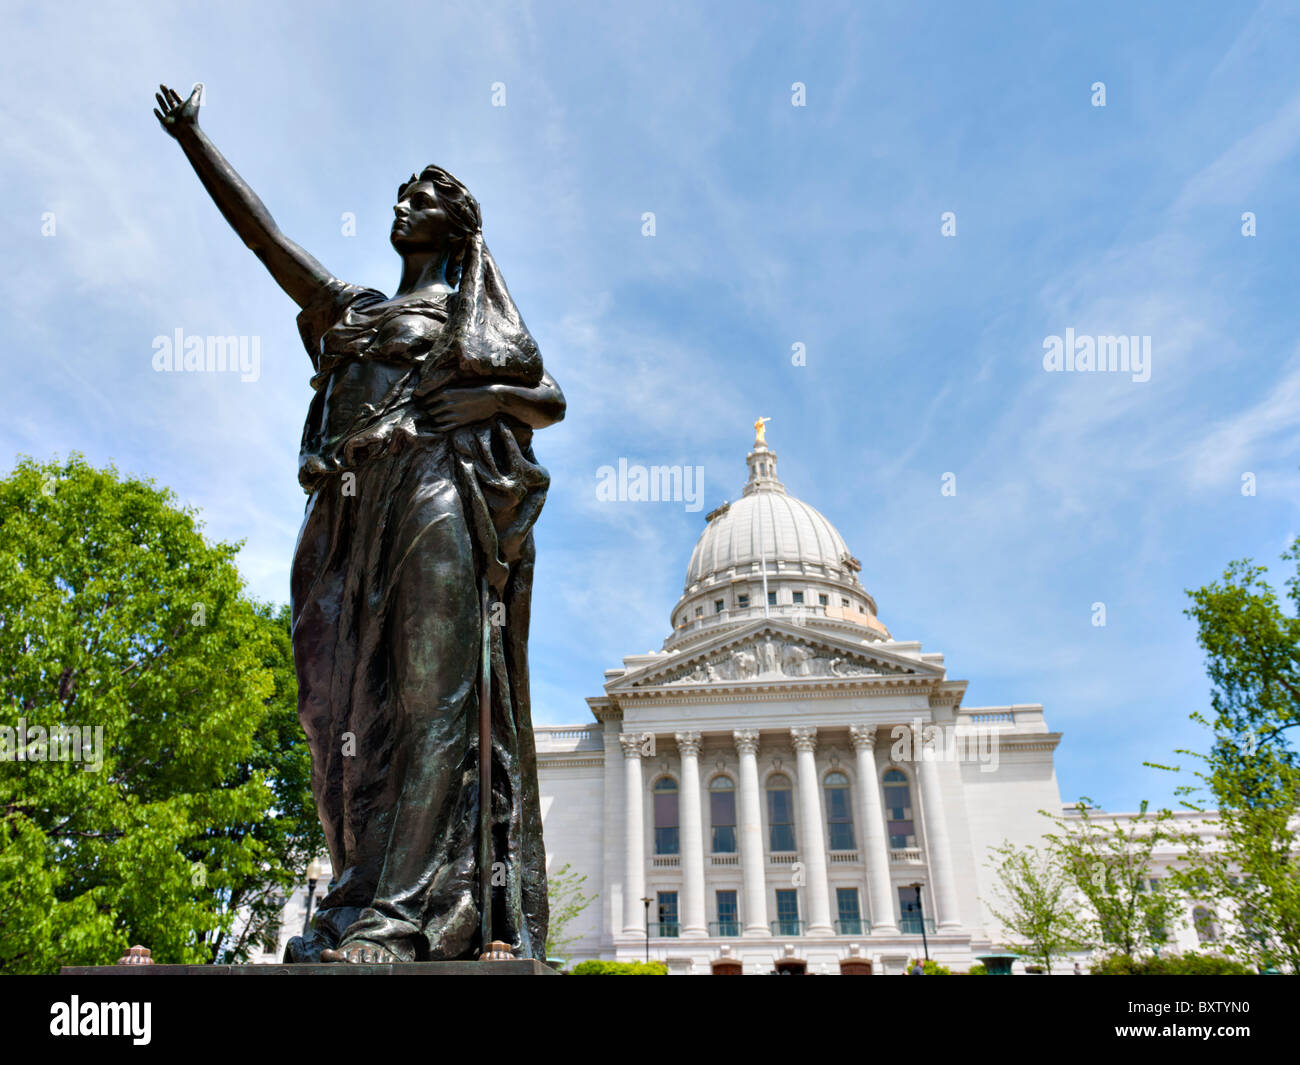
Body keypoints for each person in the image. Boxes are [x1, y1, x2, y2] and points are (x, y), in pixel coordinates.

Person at [155, 84, 565, 963]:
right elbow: (265, 241)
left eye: (422, 199)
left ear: (456, 230)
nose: (401, 205)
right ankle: (354, 895)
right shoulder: (355, 308)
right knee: (329, 709)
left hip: (433, 499)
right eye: (401, 194)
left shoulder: (470, 314)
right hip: (345, 518)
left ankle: (403, 914)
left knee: (432, 701)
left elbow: (547, 399)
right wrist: (195, 139)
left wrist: (486, 395)